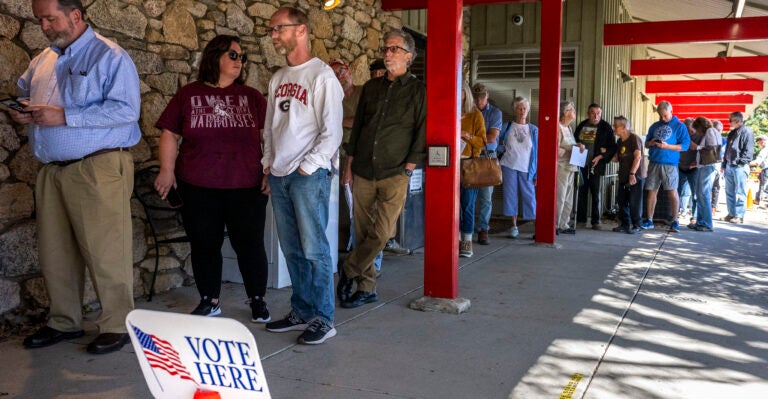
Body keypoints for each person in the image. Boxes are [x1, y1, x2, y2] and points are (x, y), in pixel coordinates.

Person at [12, 0, 140, 354]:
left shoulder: (110, 56)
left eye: (50, 18)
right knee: (56, 252)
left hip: (96, 167)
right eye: (40, 20)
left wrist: (66, 116)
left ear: (75, 15)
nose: (44, 26)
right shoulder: (42, 60)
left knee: (106, 251)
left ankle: (118, 324)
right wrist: (24, 112)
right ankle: (64, 322)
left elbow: (127, 110)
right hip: (52, 170)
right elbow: (28, 96)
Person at [154, 35, 271, 322]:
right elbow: (169, 133)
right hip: (198, 186)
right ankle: (210, 300)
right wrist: (167, 170)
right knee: (204, 244)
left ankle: (257, 299)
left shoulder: (252, 97)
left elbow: (268, 138)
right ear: (214, 56)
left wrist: (271, 171)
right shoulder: (188, 94)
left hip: (246, 185)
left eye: (242, 57)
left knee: (250, 245)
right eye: (233, 55)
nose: (239, 61)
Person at [262, 7, 343, 345]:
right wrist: (268, 163)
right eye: (271, 30)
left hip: (308, 176)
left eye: (278, 28)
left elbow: (332, 131)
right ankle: (302, 310)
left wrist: (308, 166)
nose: (273, 35)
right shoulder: (278, 78)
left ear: (301, 30)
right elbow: (270, 127)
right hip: (280, 174)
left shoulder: (322, 76)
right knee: (292, 250)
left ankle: (324, 318)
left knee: (314, 249)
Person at [338, 29, 426, 306]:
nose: (388, 53)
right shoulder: (371, 88)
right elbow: (358, 129)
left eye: (394, 49)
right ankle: (367, 288)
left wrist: (409, 168)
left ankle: (349, 268)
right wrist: (349, 165)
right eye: (386, 49)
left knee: (383, 232)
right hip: (363, 168)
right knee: (362, 231)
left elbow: (421, 130)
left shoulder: (418, 90)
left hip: (395, 172)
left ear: (408, 56)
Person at [329, 58, 384, 277]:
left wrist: (339, 121)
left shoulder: (363, 92)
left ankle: (372, 262)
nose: (339, 76)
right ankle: (350, 257)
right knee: (343, 211)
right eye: (334, 73)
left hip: (362, 157)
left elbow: (368, 120)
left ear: (349, 71)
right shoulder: (331, 97)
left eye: (342, 70)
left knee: (366, 210)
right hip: (335, 156)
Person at [640, 101, 690, 233]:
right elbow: (646, 144)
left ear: (671, 112)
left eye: (665, 116)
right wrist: (651, 143)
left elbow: (685, 146)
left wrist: (667, 146)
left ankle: (675, 221)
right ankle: (649, 220)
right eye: (660, 116)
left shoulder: (679, 126)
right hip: (654, 162)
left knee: (672, 191)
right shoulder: (654, 126)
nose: (663, 118)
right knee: (652, 190)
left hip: (670, 164)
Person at [499, 96, 538, 239]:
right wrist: (500, 149)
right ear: (514, 110)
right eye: (519, 108)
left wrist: (536, 173)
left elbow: (537, 152)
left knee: (530, 196)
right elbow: (495, 141)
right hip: (508, 165)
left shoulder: (533, 129)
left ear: (528, 110)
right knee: (510, 196)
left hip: (527, 168)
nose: (522, 111)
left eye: (524, 108)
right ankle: (513, 226)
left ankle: (537, 226)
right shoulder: (507, 126)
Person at [573, 103, 617, 229]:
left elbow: (612, 147)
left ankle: (595, 221)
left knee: (596, 192)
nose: (596, 116)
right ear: (588, 113)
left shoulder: (606, 127)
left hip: (596, 164)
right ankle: (581, 219)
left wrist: (601, 156)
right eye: (593, 113)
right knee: (581, 191)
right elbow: (574, 141)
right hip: (581, 164)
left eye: (598, 113)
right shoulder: (582, 125)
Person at [471, 83, 502, 246]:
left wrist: (470, 137)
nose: (479, 101)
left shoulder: (495, 112)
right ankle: (466, 229)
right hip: (470, 156)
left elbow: (491, 137)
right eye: (476, 97)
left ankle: (483, 228)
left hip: (487, 157)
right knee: (468, 197)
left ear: (487, 95)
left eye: (482, 97)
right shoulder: (468, 111)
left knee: (486, 197)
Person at [458, 82, 487, 257]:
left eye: (459, 91)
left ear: (466, 93)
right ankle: (454, 239)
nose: (457, 94)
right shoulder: (449, 112)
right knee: (451, 205)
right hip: (450, 164)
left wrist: (466, 135)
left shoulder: (475, 114)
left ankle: (467, 241)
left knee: (467, 205)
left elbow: (483, 141)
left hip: (469, 163)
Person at [611, 116, 646, 234]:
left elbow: (638, 157)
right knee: (622, 201)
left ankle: (637, 225)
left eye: (616, 126)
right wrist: (605, 154)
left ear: (624, 127)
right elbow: (616, 158)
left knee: (635, 201)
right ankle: (625, 224)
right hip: (623, 175)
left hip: (635, 175)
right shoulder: (619, 141)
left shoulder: (634, 138)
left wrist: (632, 174)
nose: (614, 128)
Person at [721, 112, 754, 224]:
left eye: (730, 120)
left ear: (738, 120)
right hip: (730, 165)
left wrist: (740, 163)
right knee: (729, 191)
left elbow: (748, 151)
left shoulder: (747, 132)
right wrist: (724, 164)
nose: (729, 122)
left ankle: (739, 216)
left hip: (739, 166)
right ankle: (731, 214)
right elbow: (727, 150)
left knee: (740, 192)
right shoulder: (732, 133)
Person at [556, 101, 584, 234]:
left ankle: (564, 224)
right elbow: (555, 149)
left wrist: (578, 147)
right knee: (560, 197)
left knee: (568, 198)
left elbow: (571, 146)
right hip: (561, 166)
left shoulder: (569, 128)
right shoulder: (558, 127)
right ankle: (555, 224)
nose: (574, 112)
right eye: (571, 110)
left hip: (571, 166)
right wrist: (571, 150)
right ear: (565, 112)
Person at [690, 117, 721, 232]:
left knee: (703, 194)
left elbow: (712, 148)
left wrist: (696, 147)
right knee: (700, 194)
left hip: (708, 166)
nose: (697, 132)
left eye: (697, 129)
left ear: (700, 126)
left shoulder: (710, 131)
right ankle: (701, 221)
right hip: (704, 166)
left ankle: (707, 223)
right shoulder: (711, 132)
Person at [677, 117, 702, 228]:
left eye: (691, 131)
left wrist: (696, 148)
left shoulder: (700, 137)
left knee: (695, 194)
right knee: (676, 193)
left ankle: (694, 218)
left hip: (694, 169)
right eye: (686, 130)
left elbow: (705, 151)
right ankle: (674, 216)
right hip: (680, 167)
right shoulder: (681, 135)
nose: (689, 133)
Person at [711, 120, 725, 214]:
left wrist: (724, 166)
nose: (718, 132)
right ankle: (706, 207)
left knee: (716, 188)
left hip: (719, 168)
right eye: (716, 130)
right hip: (709, 166)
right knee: (707, 188)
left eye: (720, 130)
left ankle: (713, 207)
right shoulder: (707, 139)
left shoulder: (724, 141)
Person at [749, 135, 768, 205]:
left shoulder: (765, 150)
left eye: (758, 143)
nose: (758, 145)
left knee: (762, 185)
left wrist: (746, 163)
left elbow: (757, 162)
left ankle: (758, 200)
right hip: (765, 168)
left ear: (762, 141)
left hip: (766, 169)